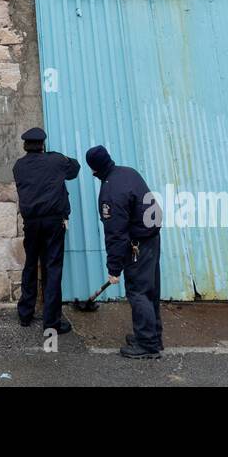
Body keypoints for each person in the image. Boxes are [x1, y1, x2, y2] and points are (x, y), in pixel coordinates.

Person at [85, 144, 163, 358]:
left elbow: (116, 235)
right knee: (150, 290)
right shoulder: (128, 172)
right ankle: (153, 336)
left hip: (137, 244)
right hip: (152, 238)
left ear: (94, 170)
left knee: (138, 293)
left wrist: (114, 269)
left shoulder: (110, 192)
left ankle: (147, 345)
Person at [12, 127, 80, 335]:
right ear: (43, 144)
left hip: (31, 223)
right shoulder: (56, 161)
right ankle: (51, 322)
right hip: (52, 222)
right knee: (52, 268)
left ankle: (25, 314)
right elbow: (75, 169)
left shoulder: (19, 166)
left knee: (31, 265)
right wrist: (56, 156)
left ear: (25, 145)